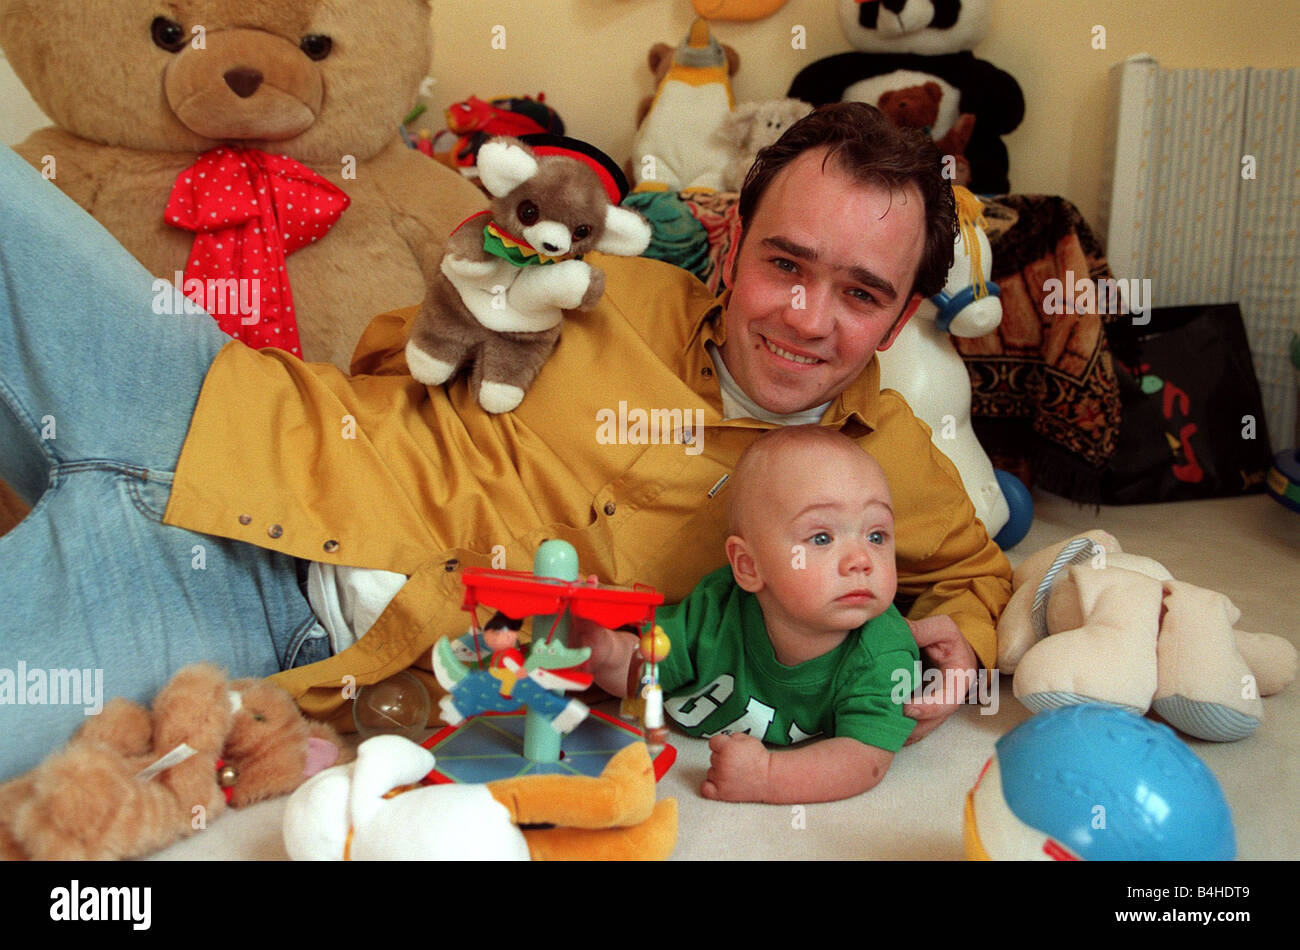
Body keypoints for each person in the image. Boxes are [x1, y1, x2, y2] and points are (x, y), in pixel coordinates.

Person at [0, 102, 1011, 780]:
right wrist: (461, 304)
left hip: (249, 629)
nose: (805, 315)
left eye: (860, 293)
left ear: (900, 315)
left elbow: (979, 571)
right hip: (216, 409)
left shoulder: (886, 463)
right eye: (784, 262)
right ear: (730, 243)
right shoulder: (598, 278)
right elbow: (389, 361)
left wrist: (958, 637)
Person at [579, 426, 919, 803]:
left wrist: (768, 777)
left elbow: (865, 759)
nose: (861, 560)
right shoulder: (717, 608)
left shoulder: (883, 652)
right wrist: (605, 650)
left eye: (877, 535)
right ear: (748, 566)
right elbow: (644, 669)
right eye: (821, 538)